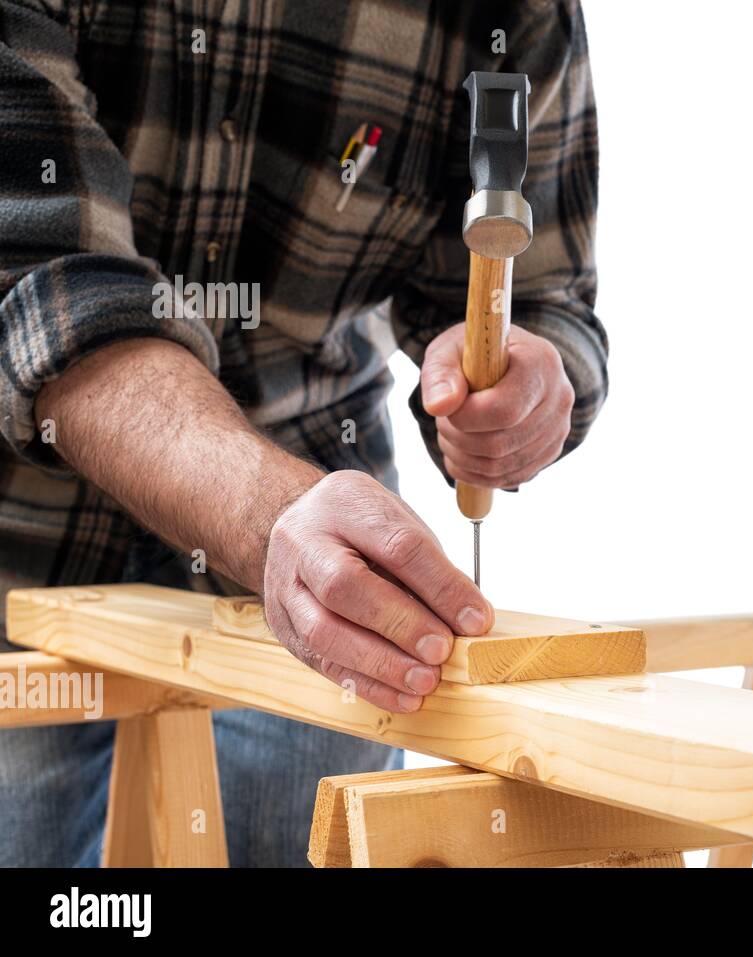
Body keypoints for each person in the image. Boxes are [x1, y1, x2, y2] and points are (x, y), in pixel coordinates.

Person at [0, 0, 604, 866]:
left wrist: (535, 380)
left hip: (327, 590)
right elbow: (38, 280)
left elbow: (547, 296)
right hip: (25, 540)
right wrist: (273, 513)